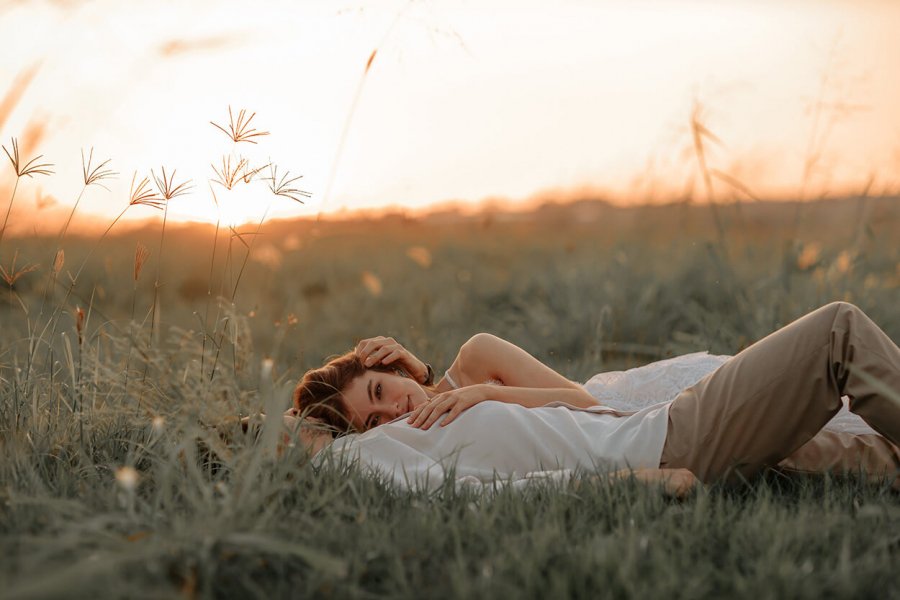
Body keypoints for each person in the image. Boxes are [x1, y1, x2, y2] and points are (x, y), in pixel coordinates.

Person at [285, 302, 900, 494]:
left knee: (866, 455)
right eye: (372, 420)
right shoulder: (406, 451)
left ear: (389, 365)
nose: (391, 410)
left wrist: (457, 386)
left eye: (380, 391)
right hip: (659, 438)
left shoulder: (462, 375)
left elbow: (579, 403)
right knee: (837, 330)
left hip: (639, 420)